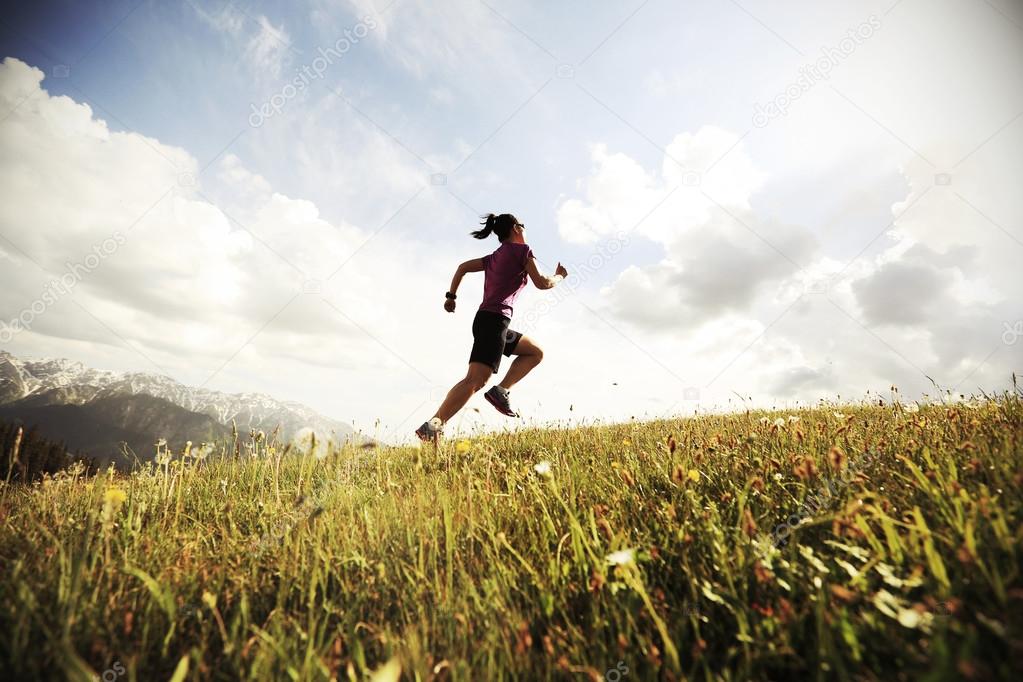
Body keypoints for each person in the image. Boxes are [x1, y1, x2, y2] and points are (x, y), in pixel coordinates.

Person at [416, 213, 567, 443]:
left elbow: (462, 267)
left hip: (491, 321)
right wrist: (559, 276)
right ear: (516, 228)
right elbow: (543, 283)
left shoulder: (493, 257)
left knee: (535, 352)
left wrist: (451, 296)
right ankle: (433, 426)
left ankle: (501, 391)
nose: (525, 229)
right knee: (474, 381)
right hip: (494, 322)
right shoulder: (522, 251)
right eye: (523, 225)